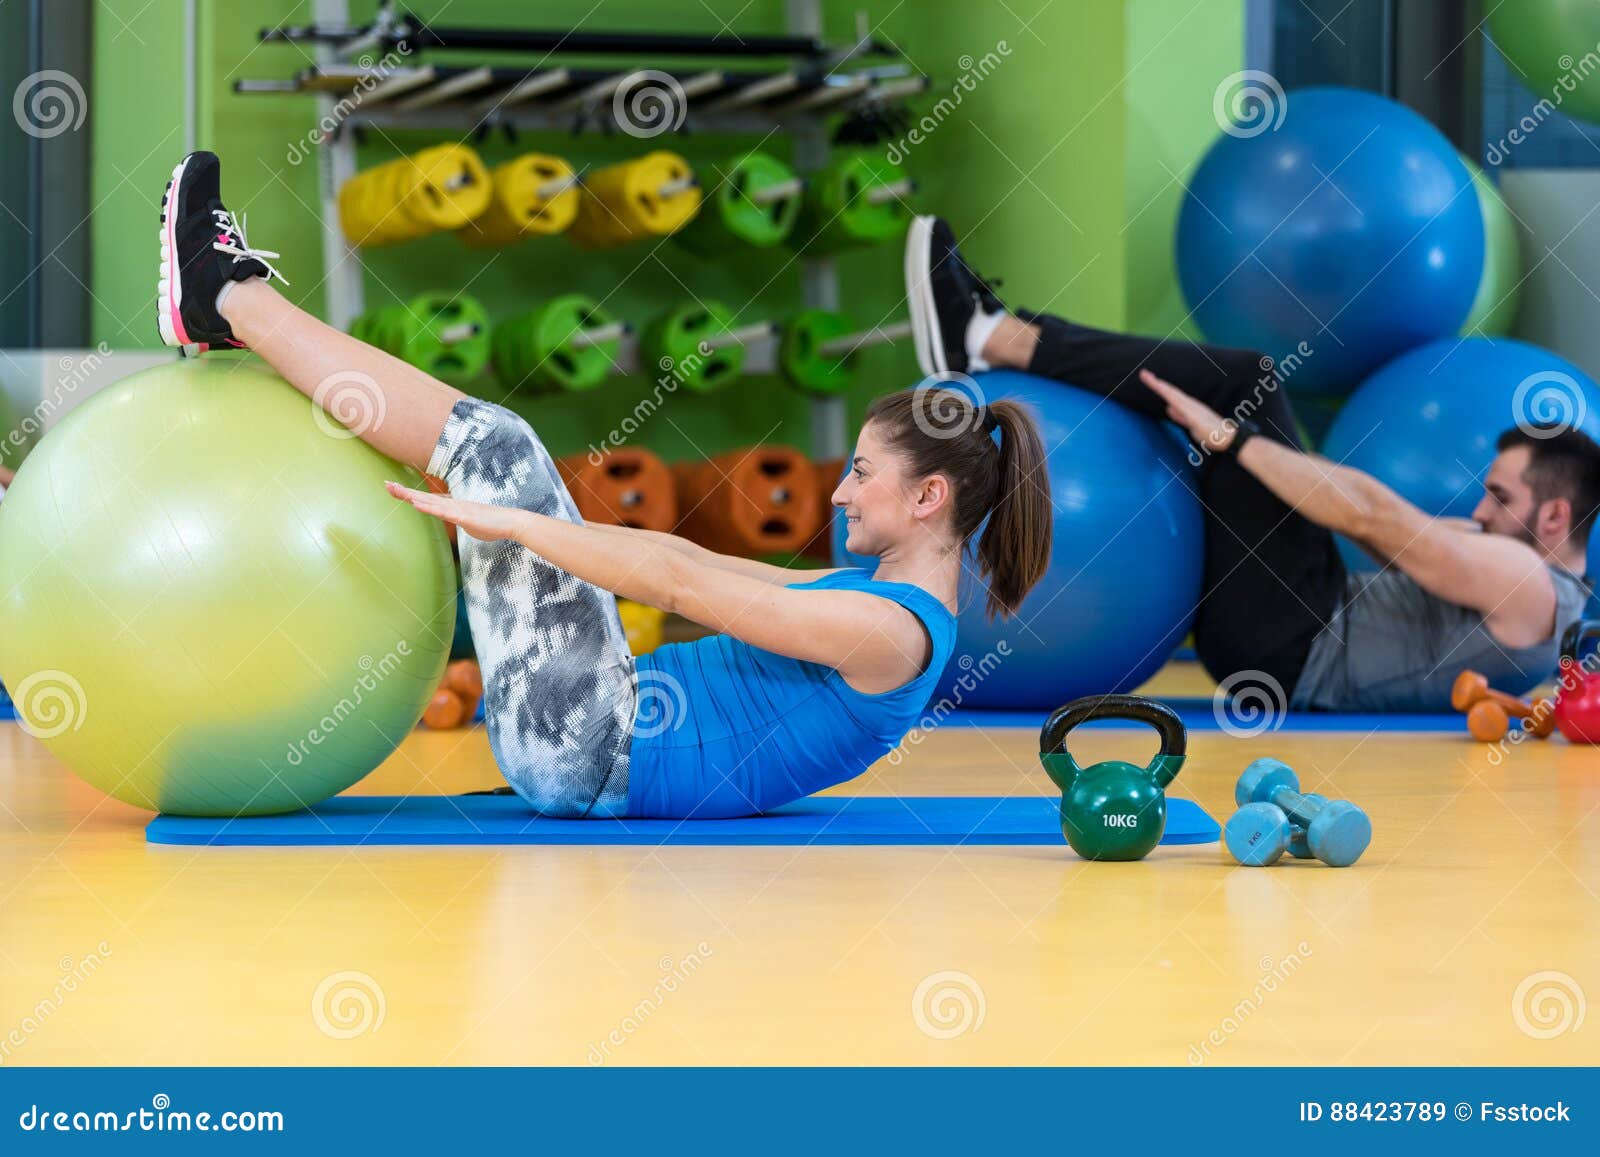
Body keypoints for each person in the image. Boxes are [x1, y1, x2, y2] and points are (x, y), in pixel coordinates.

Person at [156, 153, 1052, 819]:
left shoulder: (889, 632)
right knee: (502, 454)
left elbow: (678, 588)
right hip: (593, 728)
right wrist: (519, 521)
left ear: (930, 496)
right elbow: (687, 555)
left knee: (498, 444)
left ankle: (225, 296)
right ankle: (228, 305)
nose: (840, 492)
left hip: (590, 745)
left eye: (862, 472)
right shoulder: (873, 603)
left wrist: (510, 517)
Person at [904, 216, 1597, 712]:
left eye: (1499, 497)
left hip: (1294, 640)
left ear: (1557, 514)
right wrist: (1253, 455)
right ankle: (999, 338)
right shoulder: (1534, 586)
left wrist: (1234, 443)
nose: (1479, 509)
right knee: (1215, 411)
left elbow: (1373, 516)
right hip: (1289, 624)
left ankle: (994, 338)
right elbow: (1371, 520)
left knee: (1245, 386)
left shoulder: (1527, 581)